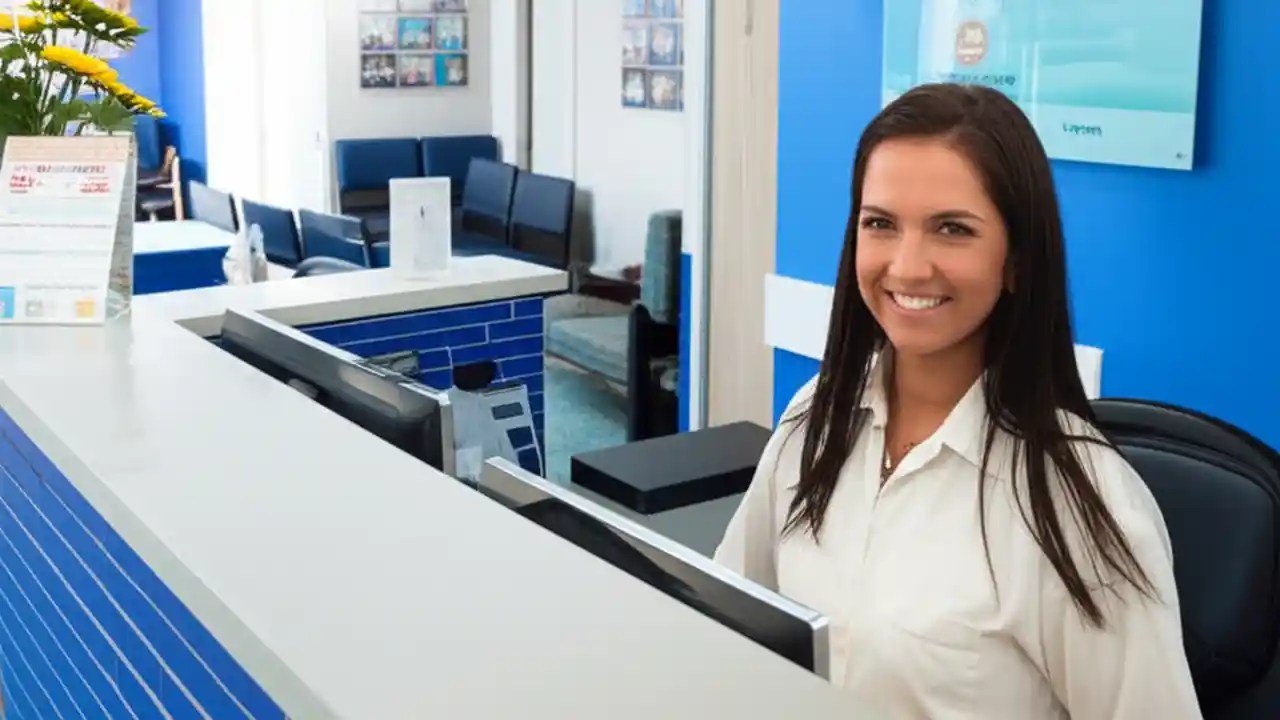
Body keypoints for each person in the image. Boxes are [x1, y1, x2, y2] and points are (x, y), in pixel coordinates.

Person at [714, 83, 1201, 719]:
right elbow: (732, 612)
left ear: (1017, 263)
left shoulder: (1079, 502)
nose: (908, 267)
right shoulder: (817, 415)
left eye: (952, 229)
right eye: (880, 224)